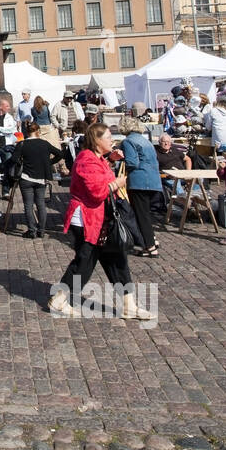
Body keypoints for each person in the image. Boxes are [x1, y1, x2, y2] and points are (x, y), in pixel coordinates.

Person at [48, 123, 153, 320]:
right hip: (88, 220)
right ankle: (59, 299)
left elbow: (100, 175)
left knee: (117, 258)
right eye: (108, 137)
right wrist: (117, 183)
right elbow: (97, 192)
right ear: (97, 141)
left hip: (102, 219)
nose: (111, 140)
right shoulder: (86, 160)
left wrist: (109, 159)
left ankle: (129, 305)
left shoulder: (97, 158)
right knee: (85, 261)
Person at [119, 116, 161, 258]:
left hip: (139, 181)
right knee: (146, 214)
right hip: (153, 180)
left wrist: (119, 161)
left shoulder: (128, 141)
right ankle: (151, 240)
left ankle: (149, 247)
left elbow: (132, 162)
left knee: (140, 215)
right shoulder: (145, 141)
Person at [12, 121, 63, 238]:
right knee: (41, 204)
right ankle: (42, 230)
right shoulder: (44, 144)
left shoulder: (22, 144)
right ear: (38, 131)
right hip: (41, 178)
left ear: (27, 132)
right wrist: (49, 162)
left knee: (28, 205)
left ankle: (32, 231)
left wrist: (22, 161)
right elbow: (60, 154)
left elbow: (14, 159)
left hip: (26, 178)